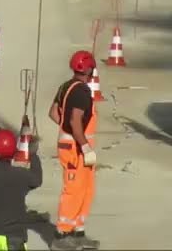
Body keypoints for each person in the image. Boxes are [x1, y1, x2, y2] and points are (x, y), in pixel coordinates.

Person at [47, 51, 100, 250]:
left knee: (86, 189)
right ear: (88, 70)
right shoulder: (81, 92)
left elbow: (53, 113)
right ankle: (61, 234)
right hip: (76, 149)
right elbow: (74, 121)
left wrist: (68, 133)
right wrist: (84, 145)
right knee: (73, 190)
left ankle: (78, 231)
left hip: (74, 145)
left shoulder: (65, 87)